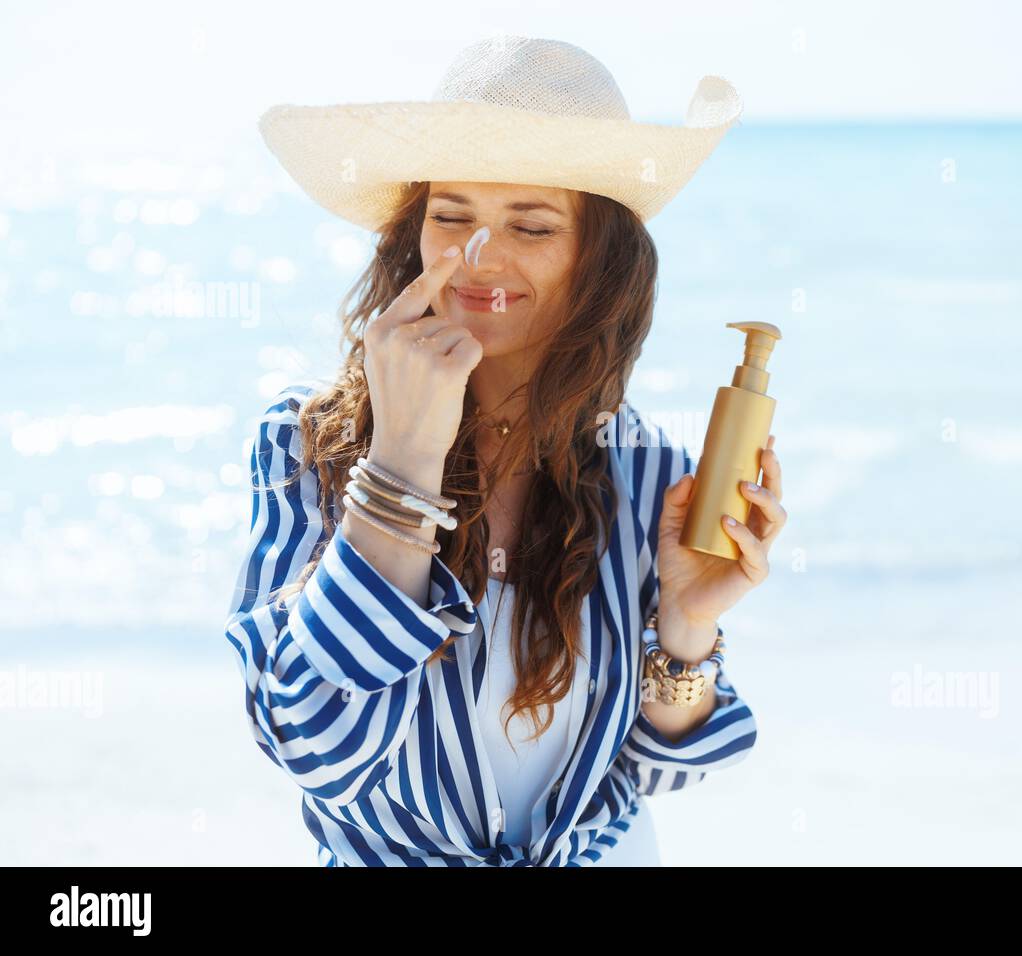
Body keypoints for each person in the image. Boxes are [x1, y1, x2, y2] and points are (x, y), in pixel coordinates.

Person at [223, 35, 787, 866]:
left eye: (531, 223)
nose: (480, 257)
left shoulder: (643, 470)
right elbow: (318, 749)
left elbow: (660, 767)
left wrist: (688, 623)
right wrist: (404, 463)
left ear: (599, 260)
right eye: (451, 215)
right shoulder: (309, 446)